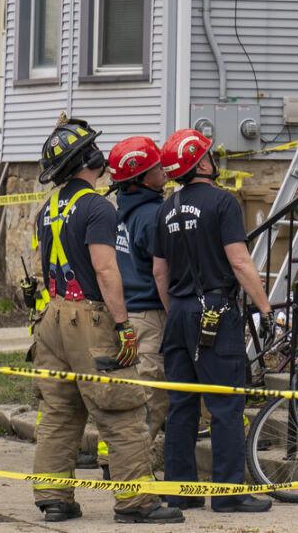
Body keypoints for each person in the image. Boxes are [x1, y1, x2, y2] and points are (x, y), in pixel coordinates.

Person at [30, 116, 182, 525]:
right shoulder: (98, 208)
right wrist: (122, 325)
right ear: (87, 160)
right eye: (93, 149)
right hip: (90, 319)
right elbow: (105, 270)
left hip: (52, 316)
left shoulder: (49, 208)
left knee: (60, 412)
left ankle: (54, 498)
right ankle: (136, 502)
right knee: (122, 409)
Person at [153, 128, 273, 514]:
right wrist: (266, 309)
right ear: (201, 164)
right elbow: (239, 261)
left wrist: (177, 311)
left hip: (179, 312)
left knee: (181, 405)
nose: (212, 159)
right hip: (215, 312)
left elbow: (159, 271)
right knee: (225, 404)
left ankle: (180, 491)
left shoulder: (165, 209)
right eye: (207, 154)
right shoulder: (223, 203)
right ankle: (227, 493)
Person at [107, 136, 173, 453]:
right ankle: (131, 469)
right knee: (150, 401)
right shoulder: (154, 216)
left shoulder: (122, 211)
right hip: (151, 317)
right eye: (157, 167)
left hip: (128, 315)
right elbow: (163, 271)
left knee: (129, 396)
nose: (164, 170)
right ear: (142, 178)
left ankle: (117, 460)